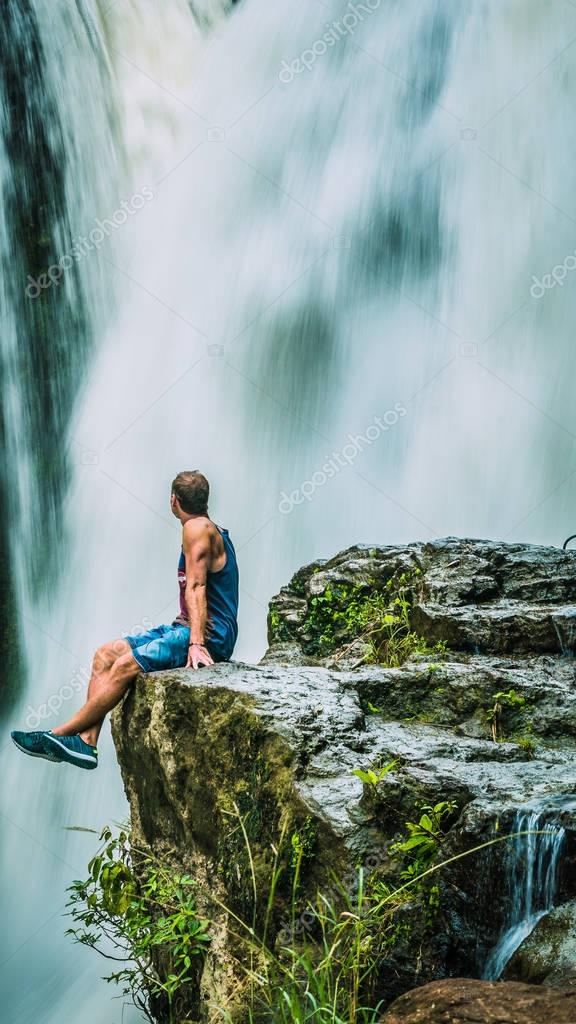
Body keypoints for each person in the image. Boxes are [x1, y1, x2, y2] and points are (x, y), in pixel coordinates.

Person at [11, 470, 239, 771]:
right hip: (184, 626)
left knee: (125, 665)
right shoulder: (208, 527)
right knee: (105, 655)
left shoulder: (196, 528)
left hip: (211, 636)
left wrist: (196, 644)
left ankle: (57, 735)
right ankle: (86, 744)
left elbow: (197, 586)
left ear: (174, 500)